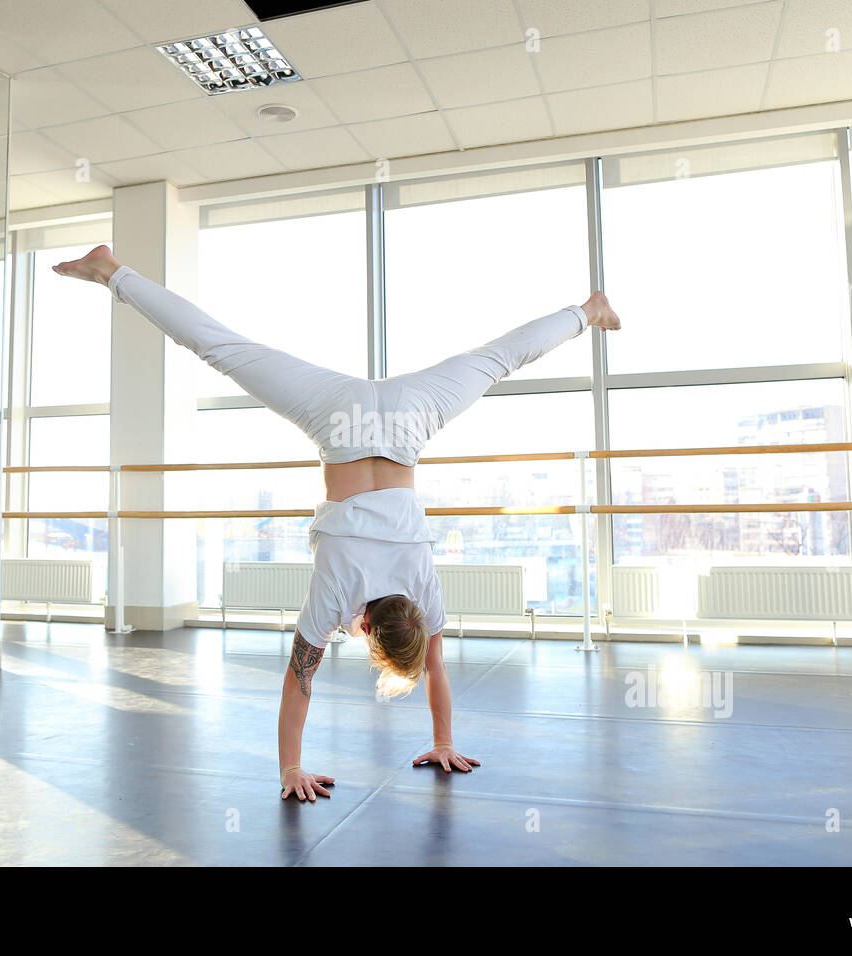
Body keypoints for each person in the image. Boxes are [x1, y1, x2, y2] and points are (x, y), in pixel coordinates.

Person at [54, 245, 621, 802]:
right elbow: (299, 680)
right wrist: (290, 769)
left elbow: (436, 665)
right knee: (221, 349)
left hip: (408, 414)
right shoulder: (335, 597)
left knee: (498, 358)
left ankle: (587, 310)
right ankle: (112, 272)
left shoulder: (423, 592)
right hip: (338, 417)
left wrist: (445, 739)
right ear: (367, 628)